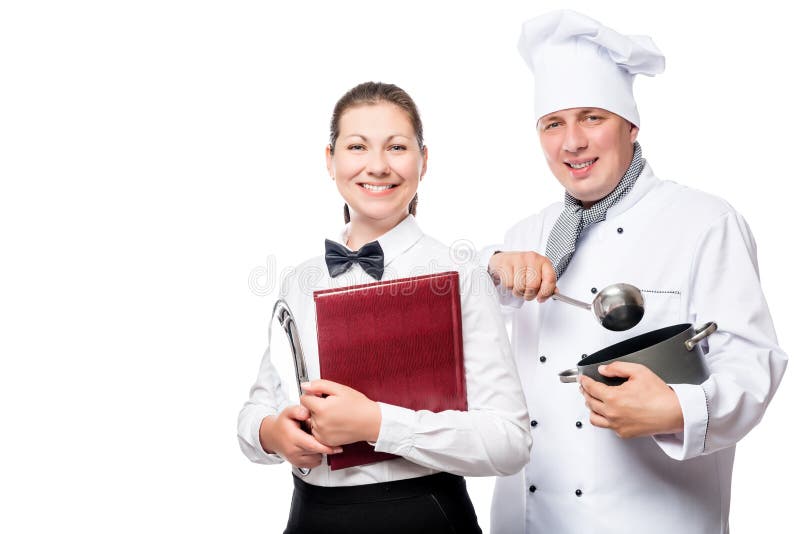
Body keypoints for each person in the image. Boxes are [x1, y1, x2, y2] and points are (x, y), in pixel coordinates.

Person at [485, 10, 788, 534]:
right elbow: (452, 319)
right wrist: (490, 264)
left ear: (631, 124)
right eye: (553, 124)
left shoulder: (703, 221)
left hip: (652, 519)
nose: (572, 142)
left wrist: (677, 408)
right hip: (528, 520)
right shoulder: (525, 234)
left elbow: (754, 365)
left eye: (592, 118)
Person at [238, 81, 531, 534]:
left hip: (426, 514)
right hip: (312, 517)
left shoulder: (461, 274)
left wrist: (377, 423)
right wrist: (272, 434)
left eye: (396, 147)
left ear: (424, 160)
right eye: (357, 146)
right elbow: (257, 407)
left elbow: (510, 442)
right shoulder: (299, 280)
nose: (377, 166)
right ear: (330, 160)